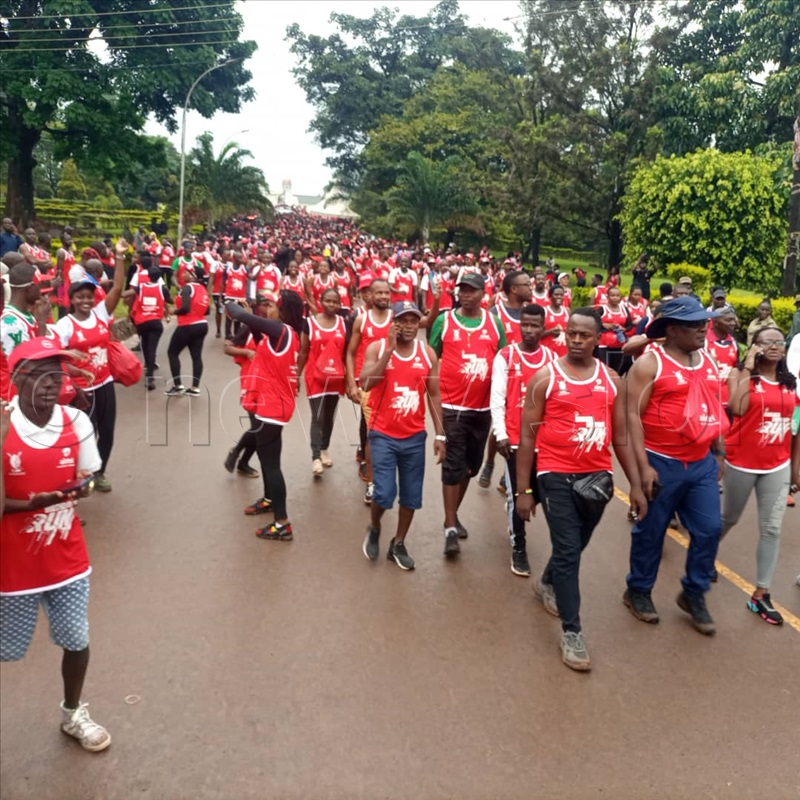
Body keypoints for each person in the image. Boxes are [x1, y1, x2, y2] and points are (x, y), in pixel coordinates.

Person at [1, 337, 111, 751]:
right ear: (17, 378)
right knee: (5, 650)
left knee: (76, 638)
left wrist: (75, 491)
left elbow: (86, 477)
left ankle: (73, 712)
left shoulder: (75, 422)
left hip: (66, 559)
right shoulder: (3, 426)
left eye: (57, 373)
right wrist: (32, 504)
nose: (52, 383)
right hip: (10, 568)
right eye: (41, 374)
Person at [515, 308, 639, 671]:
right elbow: (527, 435)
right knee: (569, 550)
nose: (577, 340)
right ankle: (573, 632)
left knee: (577, 545)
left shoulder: (611, 380)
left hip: (597, 478)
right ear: (564, 334)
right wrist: (524, 491)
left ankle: (548, 580)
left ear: (598, 339)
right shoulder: (544, 378)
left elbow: (620, 437)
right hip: (554, 474)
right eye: (571, 333)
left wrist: (635, 485)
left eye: (585, 335)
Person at [623, 297, 730, 635]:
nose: (704, 329)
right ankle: (638, 590)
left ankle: (694, 592)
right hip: (660, 461)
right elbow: (632, 418)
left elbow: (712, 405)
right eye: (695, 324)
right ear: (671, 330)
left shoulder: (708, 360)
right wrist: (643, 469)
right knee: (651, 532)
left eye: (705, 323)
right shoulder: (649, 364)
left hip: (699, 463)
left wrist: (719, 450)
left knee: (710, 529)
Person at [720, 328, 799, 624]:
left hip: (777, 465)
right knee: (729, 518)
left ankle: (761, 595)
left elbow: (796, 426)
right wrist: (749, 368)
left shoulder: (791, 383)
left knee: (772, 529)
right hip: (741, 462)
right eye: (767, 341)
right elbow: (737, 408)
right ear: (754, 346)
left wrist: (795, 467)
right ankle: (703, 557)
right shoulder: (740, 374)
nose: (775, 346)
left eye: (780, 341)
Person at [360, 301, 445, 570]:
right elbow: (366, 382)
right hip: (382, 433)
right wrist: (389, 352)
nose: (408, 326)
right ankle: (374, 526)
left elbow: (433, 394)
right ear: (393, 323)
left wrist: (440, 435)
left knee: (411, 497)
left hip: (414, 437)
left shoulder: (428, 354)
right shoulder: (377, 348)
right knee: (384, 494)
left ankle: (398, 544)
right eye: (402, 320)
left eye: (413, 321)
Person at [428, 272, 506, 556]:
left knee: (469, 468)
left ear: (483, 294)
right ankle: (450, 527)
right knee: (452, 465)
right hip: (452, 409)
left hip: (482, 410)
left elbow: (504, 362)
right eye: (462, 289)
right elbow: (430, 356)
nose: (465, 294)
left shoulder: (494, 324)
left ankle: (453, 514)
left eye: (472, 290)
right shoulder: (444, 321)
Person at [226, 291, 305, 541]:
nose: (264, 310)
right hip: (273, 405)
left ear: (281, 310)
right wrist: (249, 316)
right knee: (267, 458)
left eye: (270, 305)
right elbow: (257, 334)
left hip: (273, 407)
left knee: (271, 465)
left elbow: (239, 315)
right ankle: (270, 500)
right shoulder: (284, 333)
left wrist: (230, 303)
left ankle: (282, 523)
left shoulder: (279, 330)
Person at [53, 240, 127, 492]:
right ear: (71, 299)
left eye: (88, 296)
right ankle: (76, 475)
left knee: (107, 433)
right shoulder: (64, 326)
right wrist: (73, 381)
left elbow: (118, 287)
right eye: (80, 296)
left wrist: (119, 256)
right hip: (81, 390)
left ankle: (100, 472)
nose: (85, 300)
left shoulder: (100, 314)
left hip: (105, 384)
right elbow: (54, 356)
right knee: (83, 435)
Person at [490, 304, 554, 576]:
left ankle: (514, 509)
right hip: (515, 439)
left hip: (545, 440)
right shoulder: (506, 356)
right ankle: (519, 545)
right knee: (520, 493)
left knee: (539, 493)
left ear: (543, 327)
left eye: (534, 326)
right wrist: (500, 433)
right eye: (524, 325)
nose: (529, 330)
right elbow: (497, 398)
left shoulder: (551, 358)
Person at [296, 288, 347, 477]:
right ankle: (315, 457)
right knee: (317, 416)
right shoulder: (309, 323)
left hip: (335, 378)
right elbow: (303, 351)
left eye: (335, 302)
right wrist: (296, 376)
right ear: (320, 301)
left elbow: (346, 352)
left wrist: (349, 380)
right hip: (315, 377)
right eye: (328, 301)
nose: (331, 305)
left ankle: (324, 448)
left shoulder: (343, 323)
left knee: (329, 416)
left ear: (340, 304)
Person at [125, 259, 173, 391]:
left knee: (145, 345)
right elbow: (171, 301)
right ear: (160, 277)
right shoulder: (162, 288)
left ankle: (148, 365)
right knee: (152, 348)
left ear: (148, 276)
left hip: (141, 322)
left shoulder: (140, 287)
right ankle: (150, 377)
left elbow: (127, 294)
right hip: (155, 323)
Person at [164, 264, 210, 397]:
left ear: (193, 275)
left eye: (186, 272)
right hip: (202, 324)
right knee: (196, 356)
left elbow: (185, 308)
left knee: (172, 352)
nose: (183, 274)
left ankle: (178, 386)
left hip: (188, 325)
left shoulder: (187, 288)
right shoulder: (203, 289)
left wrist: (174, 311)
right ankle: (195, 388)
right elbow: (206, 310)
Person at [541, 284, 570, 358]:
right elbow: (536, 335)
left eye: (561, 295)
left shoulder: (567, 311)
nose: (559, 297)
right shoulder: (544, 311)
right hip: (548, 352)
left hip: (564, 353)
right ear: (550, 296)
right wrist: (550, 331)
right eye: (556, 294)